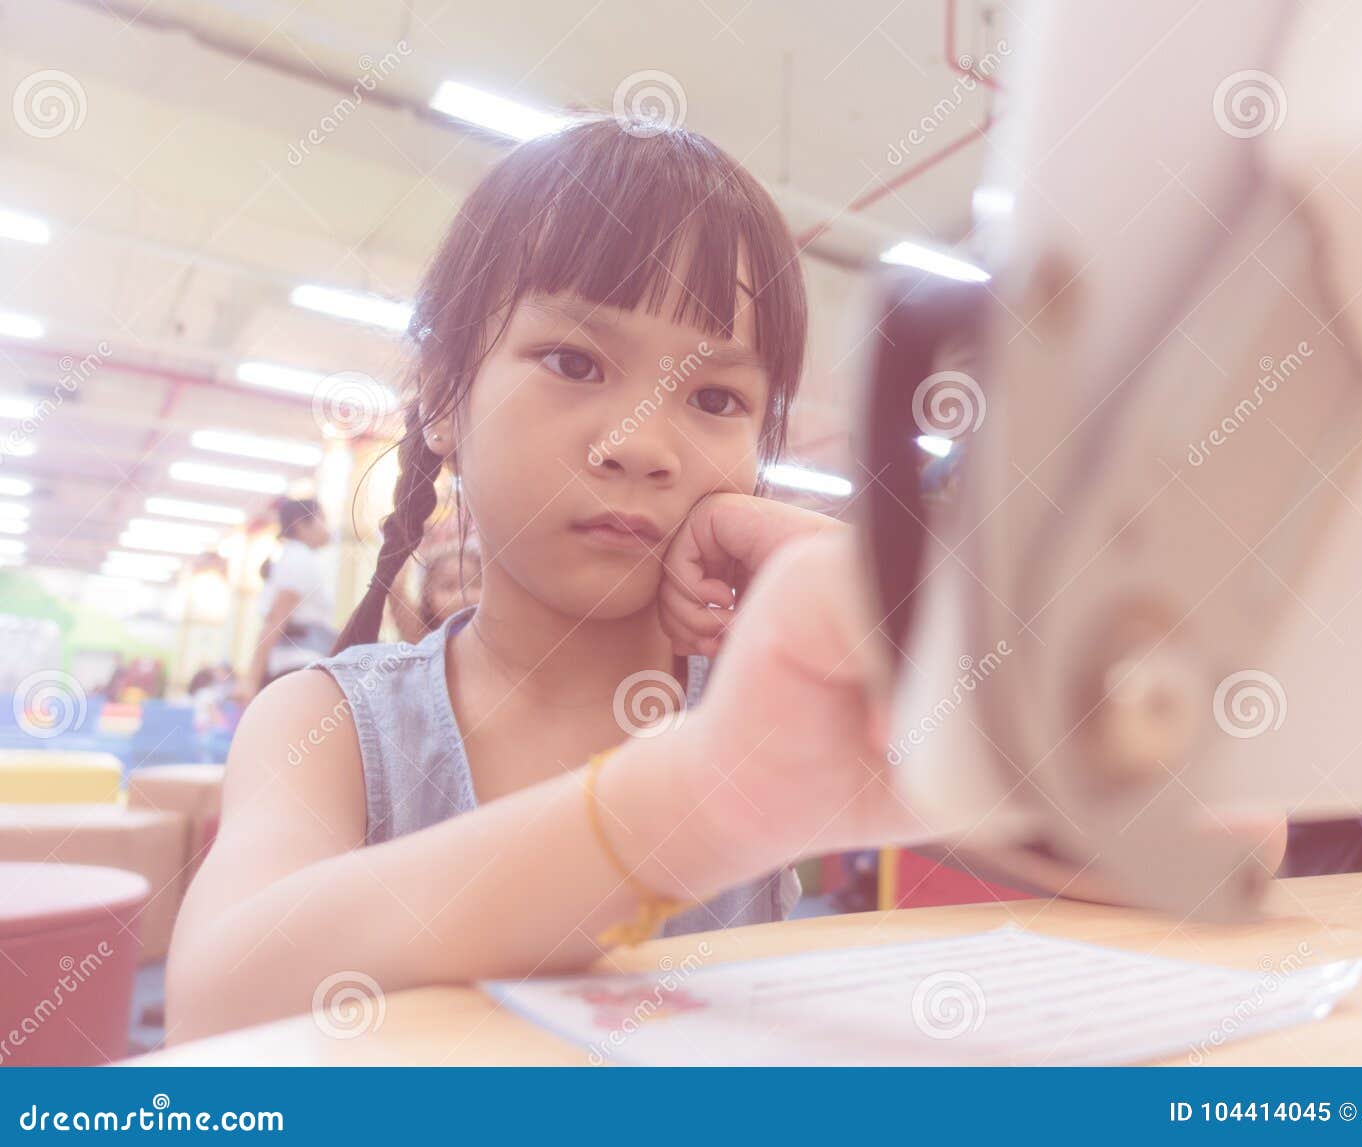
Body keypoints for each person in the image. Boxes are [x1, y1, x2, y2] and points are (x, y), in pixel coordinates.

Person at [166, 118, 930, 1042]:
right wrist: (683, 802)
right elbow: (213, 1003)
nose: (641, 443)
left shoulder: (771, 696)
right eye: (575, 363)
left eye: (715, 399)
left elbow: (1107, 831)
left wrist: (882, 598)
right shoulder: (330, 727)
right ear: (445, 395)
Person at [240, 498, 336, 700]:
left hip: (299, 664)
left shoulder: (296, 558)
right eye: (323, 519)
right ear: (301, 525)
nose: (328, 527)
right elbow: (276, 621)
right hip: (297, 665)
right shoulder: (298, 559)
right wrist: (250, 681)